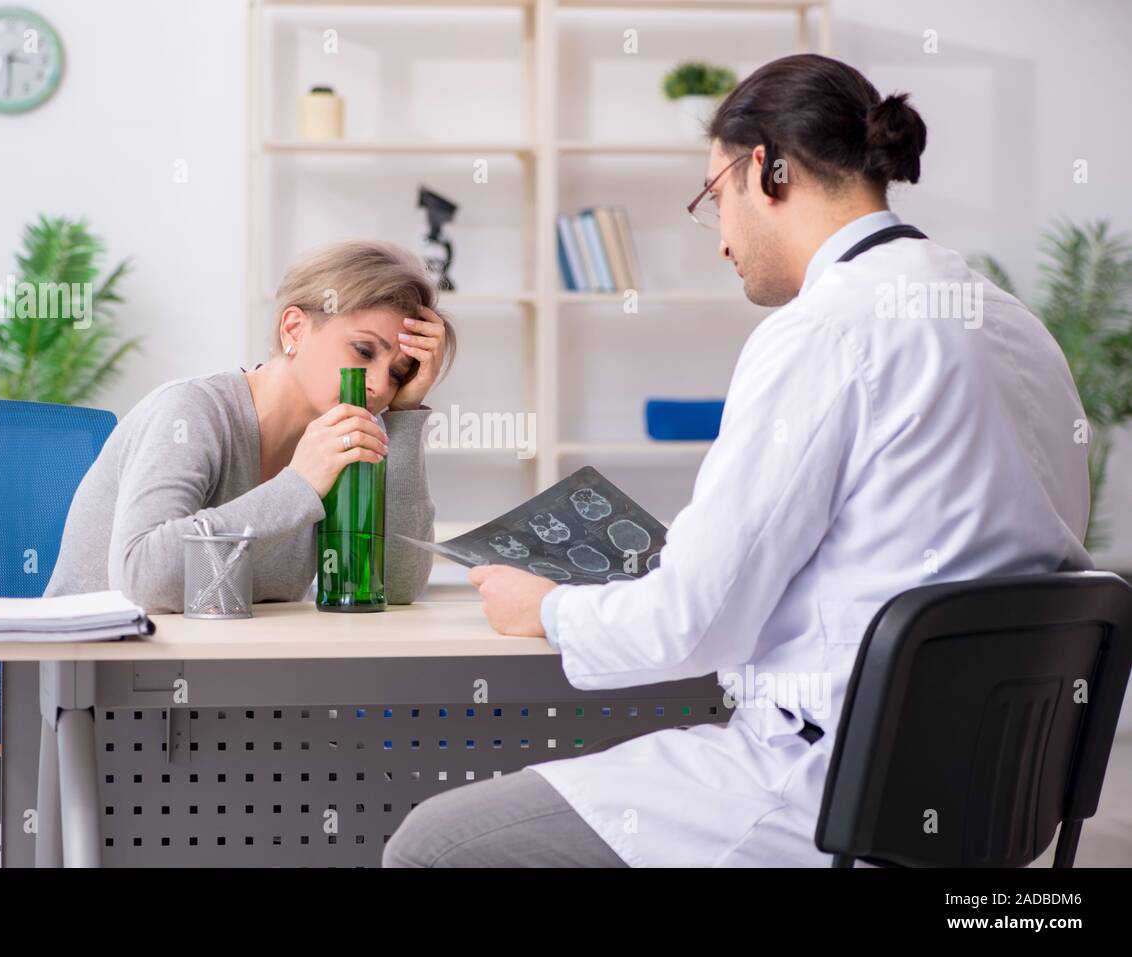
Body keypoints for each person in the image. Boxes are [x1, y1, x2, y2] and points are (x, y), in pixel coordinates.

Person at [383, 53, 1092, 867]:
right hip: (996, 807)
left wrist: (544, 608)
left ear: (767, 169)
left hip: (821, 799)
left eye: (713, 198)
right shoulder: (1015, 325)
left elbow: (692, 622)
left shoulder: (822, 331)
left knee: (434, 846)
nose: (720, 240)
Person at [44, 238, 456, 613]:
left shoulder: (339, 444)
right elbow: (145, 583)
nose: (380, 385)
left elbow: (398, 586)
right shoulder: (190, 412)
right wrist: (299, 486)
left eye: (399, 373)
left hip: (225, 676)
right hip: (98, 678)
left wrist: (405, 415)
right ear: (294, 328)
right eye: (364, 350)